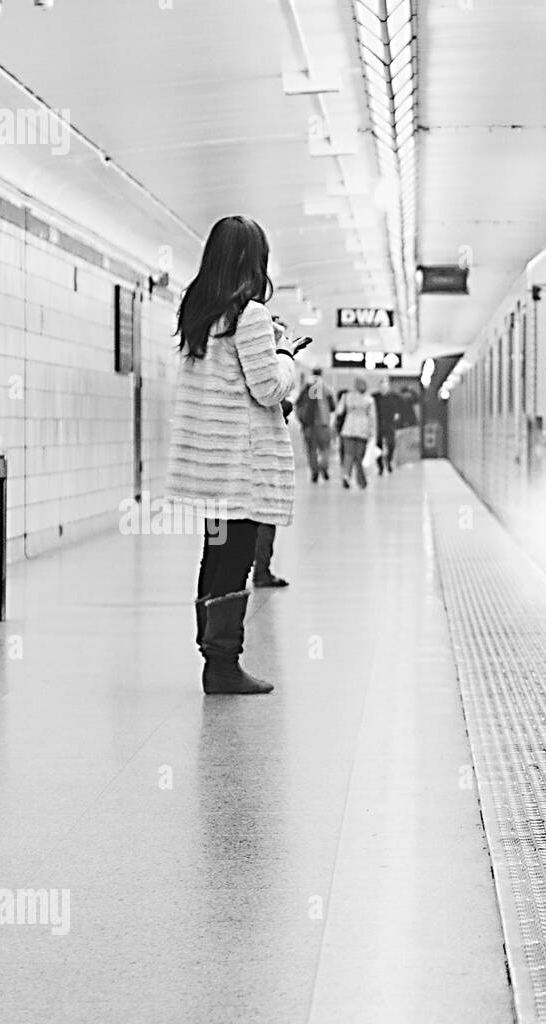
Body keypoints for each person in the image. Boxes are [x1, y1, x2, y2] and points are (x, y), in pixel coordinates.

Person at [166, 214, 304, 695]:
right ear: (253, 260)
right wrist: (285, 354)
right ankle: (223, 664)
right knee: (235, 561)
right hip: (241, 468)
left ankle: (214, 657)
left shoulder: (199, 311)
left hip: (210, 464)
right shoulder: (251, 315)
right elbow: (268, 389)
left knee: (215, 557)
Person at [334, 377, 377, 489]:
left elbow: (339, 411)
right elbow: (372, 418)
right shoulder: (369, 399)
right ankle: (361, 481)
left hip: (348, 429)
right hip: (363, 430)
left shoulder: (346, 397)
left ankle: (346, 476)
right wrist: (373, 433)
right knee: (359, 456)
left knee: (348, 454)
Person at [295, 367, 335, 482]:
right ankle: (323, 466)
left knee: (311, 449)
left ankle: (315, 471)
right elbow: (333, 407)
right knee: (325, 448)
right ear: (322, 374)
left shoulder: (306, 388)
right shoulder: (326, 389)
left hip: (309, 425)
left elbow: (298, 403)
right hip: (323, 424)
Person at [373, 378, 403, 475]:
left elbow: (399, 408)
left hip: (390, 424)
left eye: (385, 386)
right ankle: (380, 466)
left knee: (391, 444)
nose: (383, 388)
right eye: (382, 386)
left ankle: (388, 461)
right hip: (378, 424)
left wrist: (397, 415)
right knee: (378, 446)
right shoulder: (375, 397)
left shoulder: (394, 397)